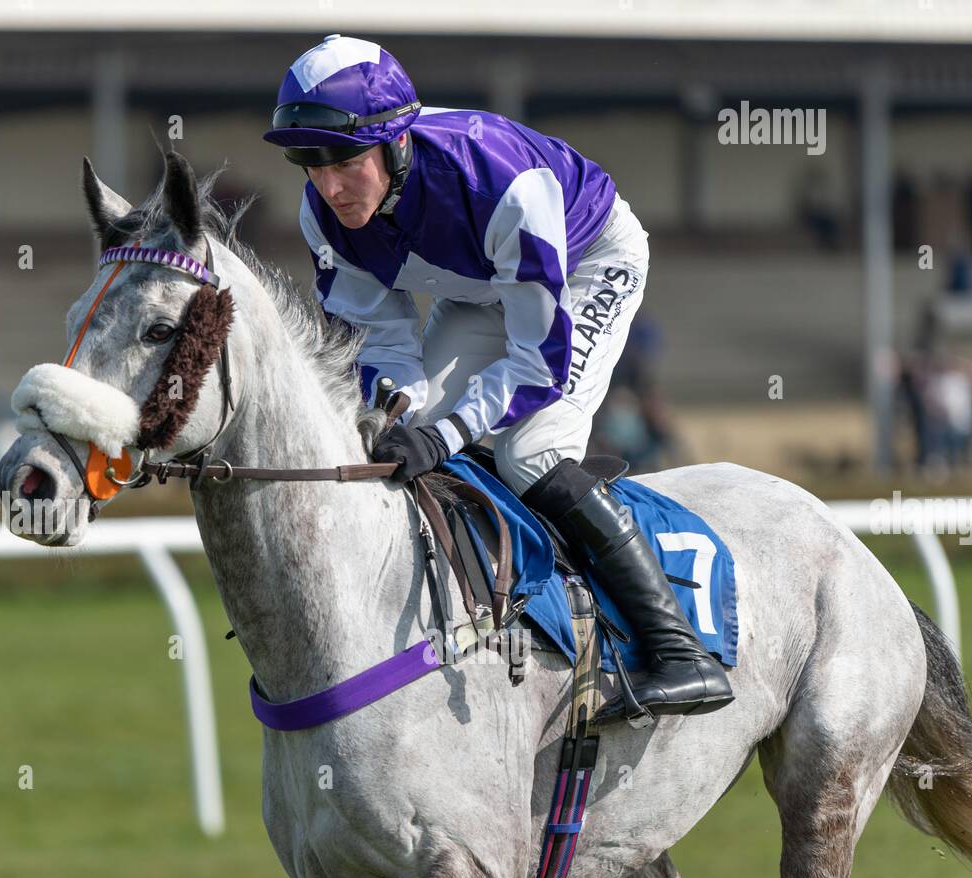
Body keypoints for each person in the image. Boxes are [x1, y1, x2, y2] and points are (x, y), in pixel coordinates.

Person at [262, 34, 731, 720]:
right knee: (410, 436)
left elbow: (534, 363)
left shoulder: (503, 184)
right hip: (483, 284)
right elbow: (385, 344)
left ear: (395, 145)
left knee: (528, 451)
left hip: (586, 262)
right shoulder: (323, 217)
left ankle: (680, 651)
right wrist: (396, 414)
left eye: (344, 162)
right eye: (309, 163)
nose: (328, 186)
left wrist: (448, 431)